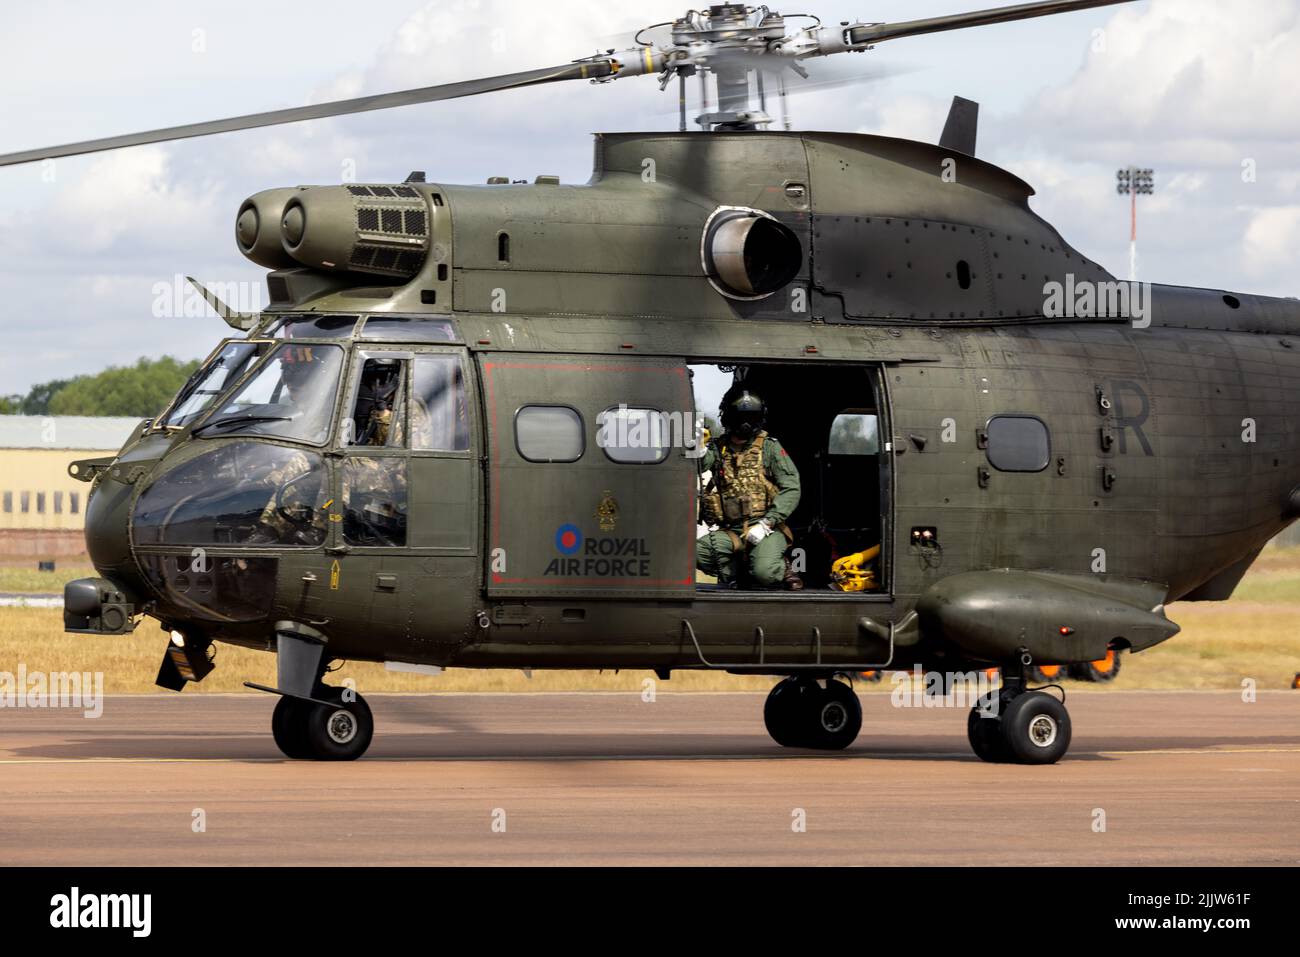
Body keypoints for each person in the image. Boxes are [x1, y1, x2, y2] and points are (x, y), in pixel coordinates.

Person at [696, 386, 802, 589]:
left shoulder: (769, 447)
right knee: (698, 554)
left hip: (766, 528)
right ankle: (739, 573)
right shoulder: (719, 447)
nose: (745, 424)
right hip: (732, 531)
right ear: (728, 417)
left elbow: (792, 487)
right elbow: (703, 463)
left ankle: (780, 567)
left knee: (765, 573)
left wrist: (768, 522)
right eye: (740, 417)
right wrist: (698, 449)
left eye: (752, 418)